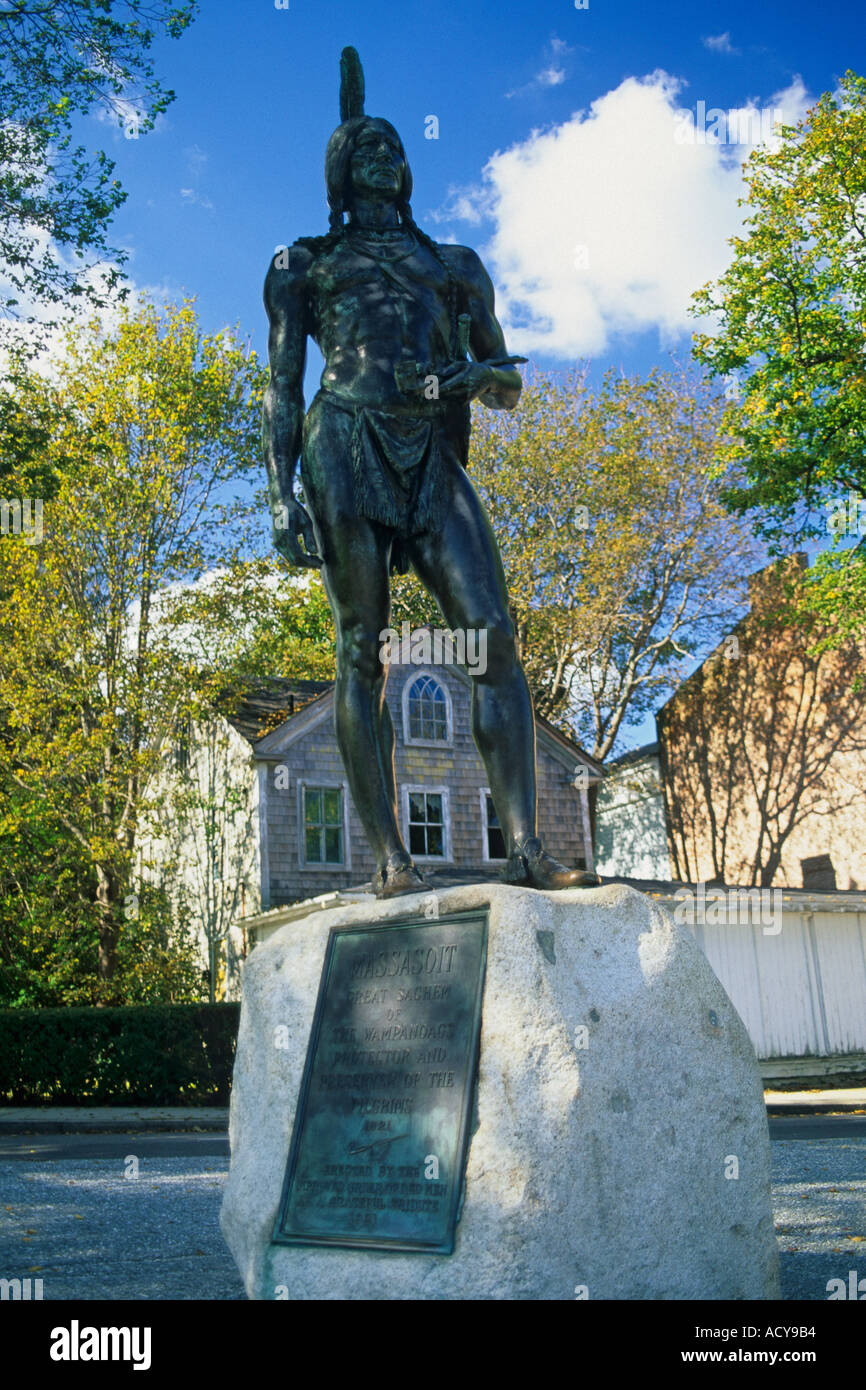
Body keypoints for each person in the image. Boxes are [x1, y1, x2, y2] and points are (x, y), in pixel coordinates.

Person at [262, 48, 599, 899]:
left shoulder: (455, 266)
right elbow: (281, 384)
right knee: (360, 649)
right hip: (342, 438)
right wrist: (278, 495)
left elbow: (508, 377)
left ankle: (524, 848)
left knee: (491, 637)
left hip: (430, 452)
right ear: (339, 168)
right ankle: (388, 858)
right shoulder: (303, 263)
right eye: (365, 145)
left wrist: (480, 379)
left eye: (395, 146)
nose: (384, 154)